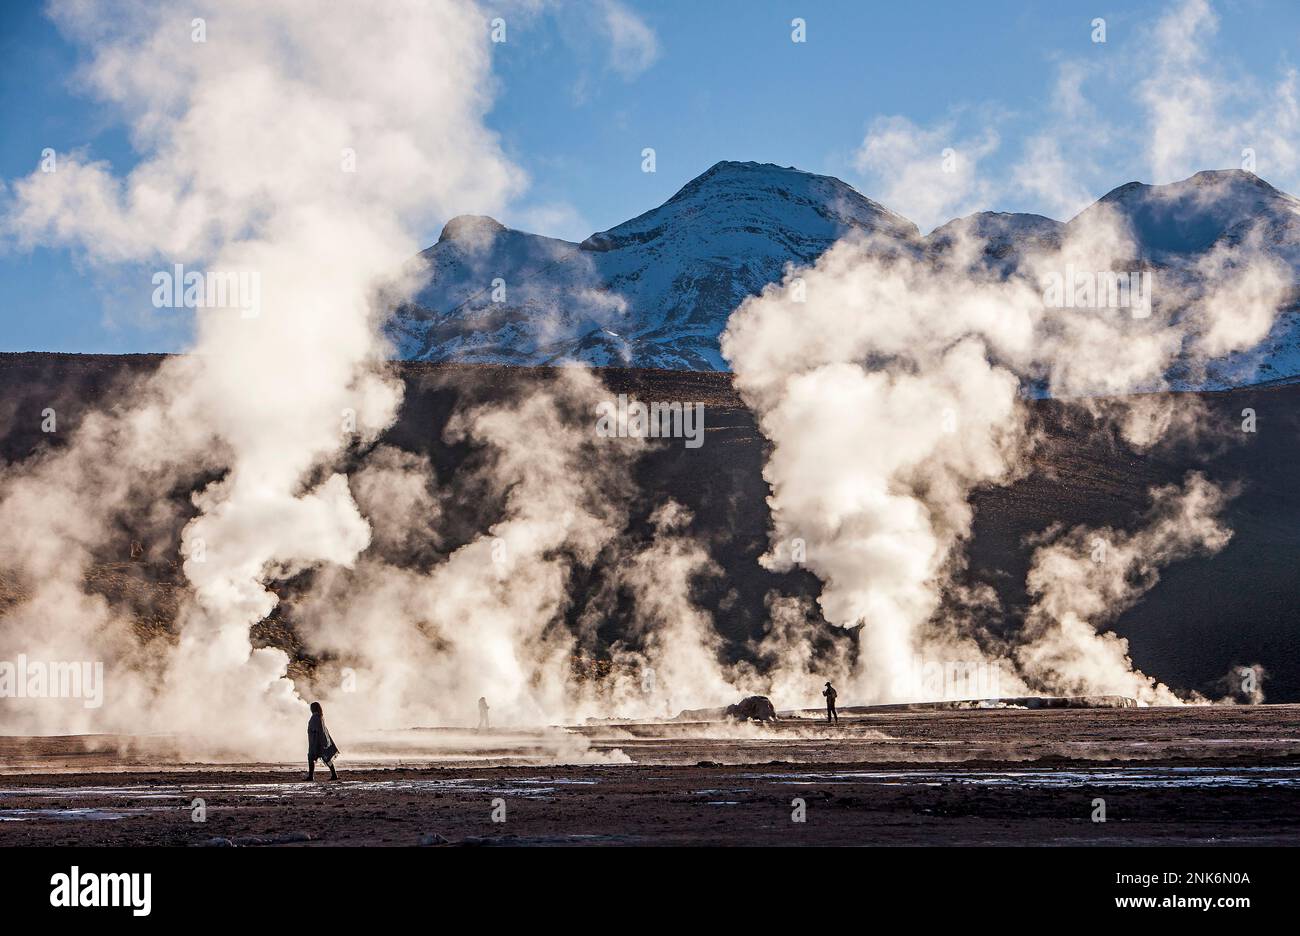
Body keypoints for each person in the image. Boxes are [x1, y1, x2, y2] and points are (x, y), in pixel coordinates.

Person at [306, 701, 340, 781]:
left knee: (311, 757)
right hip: (320, 741)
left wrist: (315, 741)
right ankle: (334, 774)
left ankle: (311, 776)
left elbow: (316, 730)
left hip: (316, 742)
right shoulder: (320, 716)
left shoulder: (315, 717)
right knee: (326, 758)